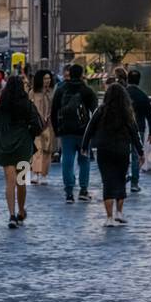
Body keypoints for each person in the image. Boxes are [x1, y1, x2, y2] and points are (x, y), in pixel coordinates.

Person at [0, 73, 44, 229]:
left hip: (5, 146)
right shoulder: (27, 104)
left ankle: (11, 214)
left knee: (9, 182)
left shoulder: (0, 106)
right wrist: (29, 134)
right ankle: (21, 210)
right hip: (23, 147)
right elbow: (37, 127)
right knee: (21, 181)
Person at [81, 82, 144, 227]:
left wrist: (85, 146)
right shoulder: (126, 112)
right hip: (122, 150)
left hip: (104, 150)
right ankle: (119, 213)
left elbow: (89, 129)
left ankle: (109, 217)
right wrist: (140, 152)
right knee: (121, 180)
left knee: (107, 182)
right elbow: (135, 134)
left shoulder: (101, 110)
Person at [51, 63, 97, 203]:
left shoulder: (61, 89)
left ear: (69, 73)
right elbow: (95, 111)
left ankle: (69, 192)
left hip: (66, 131)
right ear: (82, 74)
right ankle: (83, 190)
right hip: (83, 132)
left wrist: (56, 129)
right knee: (84, 160)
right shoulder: (87, 90)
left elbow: (54, 111)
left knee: (67, 160)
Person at [124, 69, 151, 192]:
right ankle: (134, 183)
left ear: (128, 79)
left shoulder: (123, 93)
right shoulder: (142, 95)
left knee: (124, 153)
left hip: (124, 128)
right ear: (139, 80)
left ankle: (125, 175)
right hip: (139, 129)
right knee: (137, 155)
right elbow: (150, 115)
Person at [29, 70, 56, 186]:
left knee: (47, 150)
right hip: (36, 124)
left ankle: (44, 174)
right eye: (45, 78)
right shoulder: (33, 93)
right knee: (37, 149)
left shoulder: (53, 92)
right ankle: (35, 173)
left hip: (49, 125)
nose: (47, 81)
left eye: (49, 78)